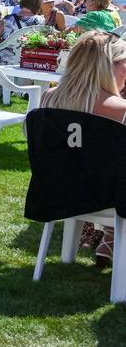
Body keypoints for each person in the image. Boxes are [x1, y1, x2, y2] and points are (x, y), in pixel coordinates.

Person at [43, 33, 126, 265]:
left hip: (57, 191)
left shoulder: (49, 99)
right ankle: (111, 238)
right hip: (108, 199)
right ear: (108, 66)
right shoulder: (120, 110)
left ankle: (109, 239)